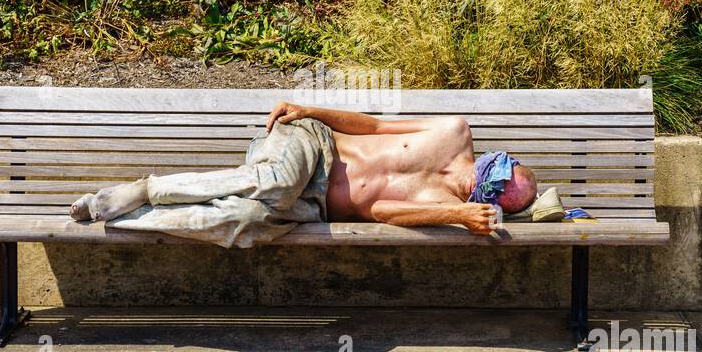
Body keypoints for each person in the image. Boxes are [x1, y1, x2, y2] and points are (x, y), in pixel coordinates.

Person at [69, 102, 539, 248]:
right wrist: (309, 111)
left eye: (496, 191)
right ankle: (148, 187)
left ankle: (126, 215)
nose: (488, 180)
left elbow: (380, 210)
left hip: (311, 206)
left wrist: (456, 216)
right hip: (312, 145)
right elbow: (374, 127)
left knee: (244, 223)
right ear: (497, 157)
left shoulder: (448, 207)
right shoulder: (452, 131)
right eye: (500, 171)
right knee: (276, 184)